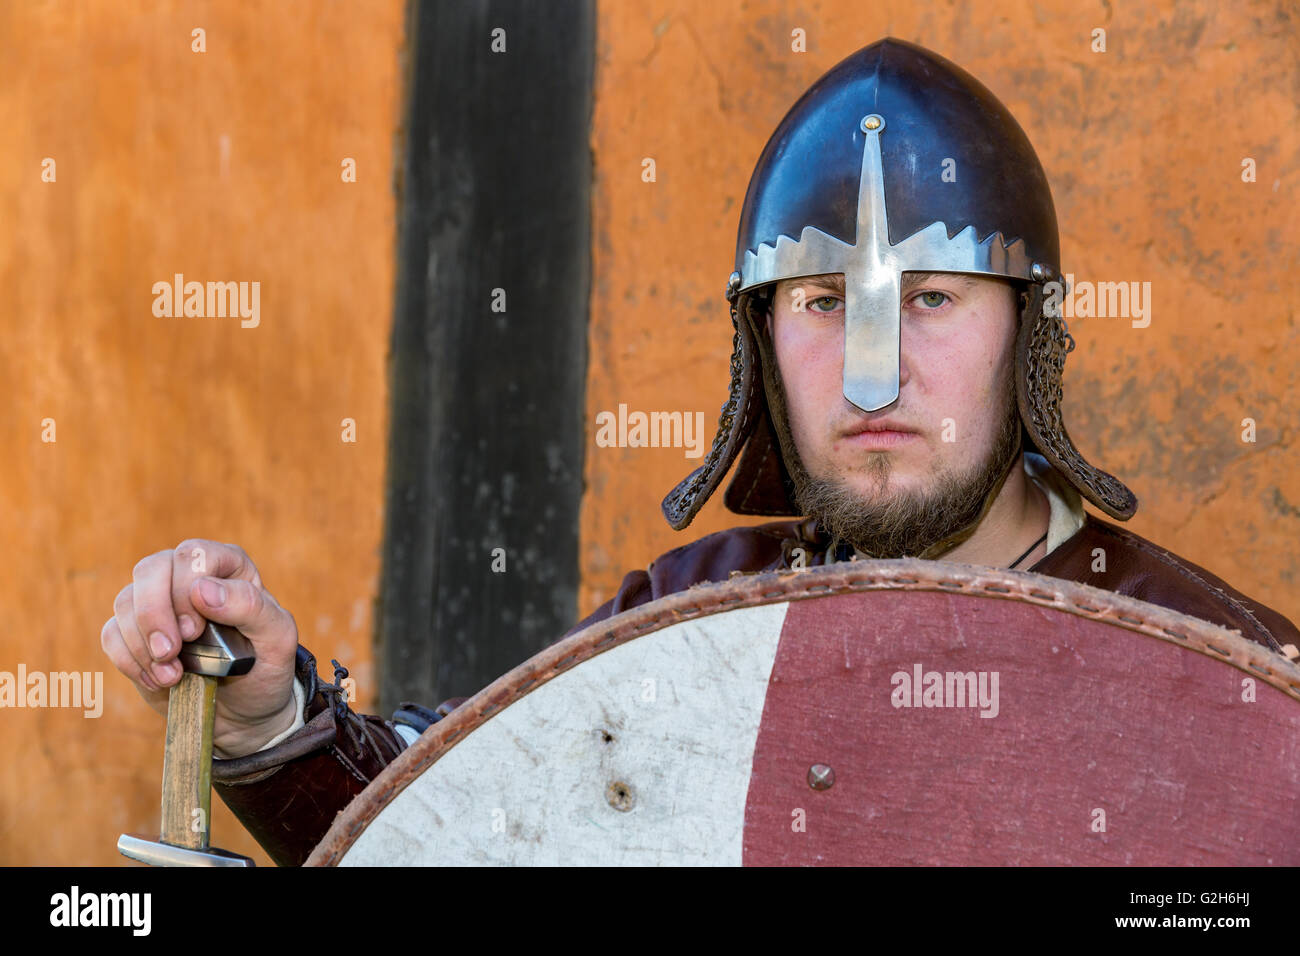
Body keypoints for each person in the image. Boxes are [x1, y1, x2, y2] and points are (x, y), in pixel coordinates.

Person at [100, 38, 1300, 866]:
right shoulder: (692, 615)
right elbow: (456, 827)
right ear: (759, 342)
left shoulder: (1217, 663)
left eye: (930, 297)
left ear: (1027, 334)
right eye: (821, 302)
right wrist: (262, 716)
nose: (870, 372)